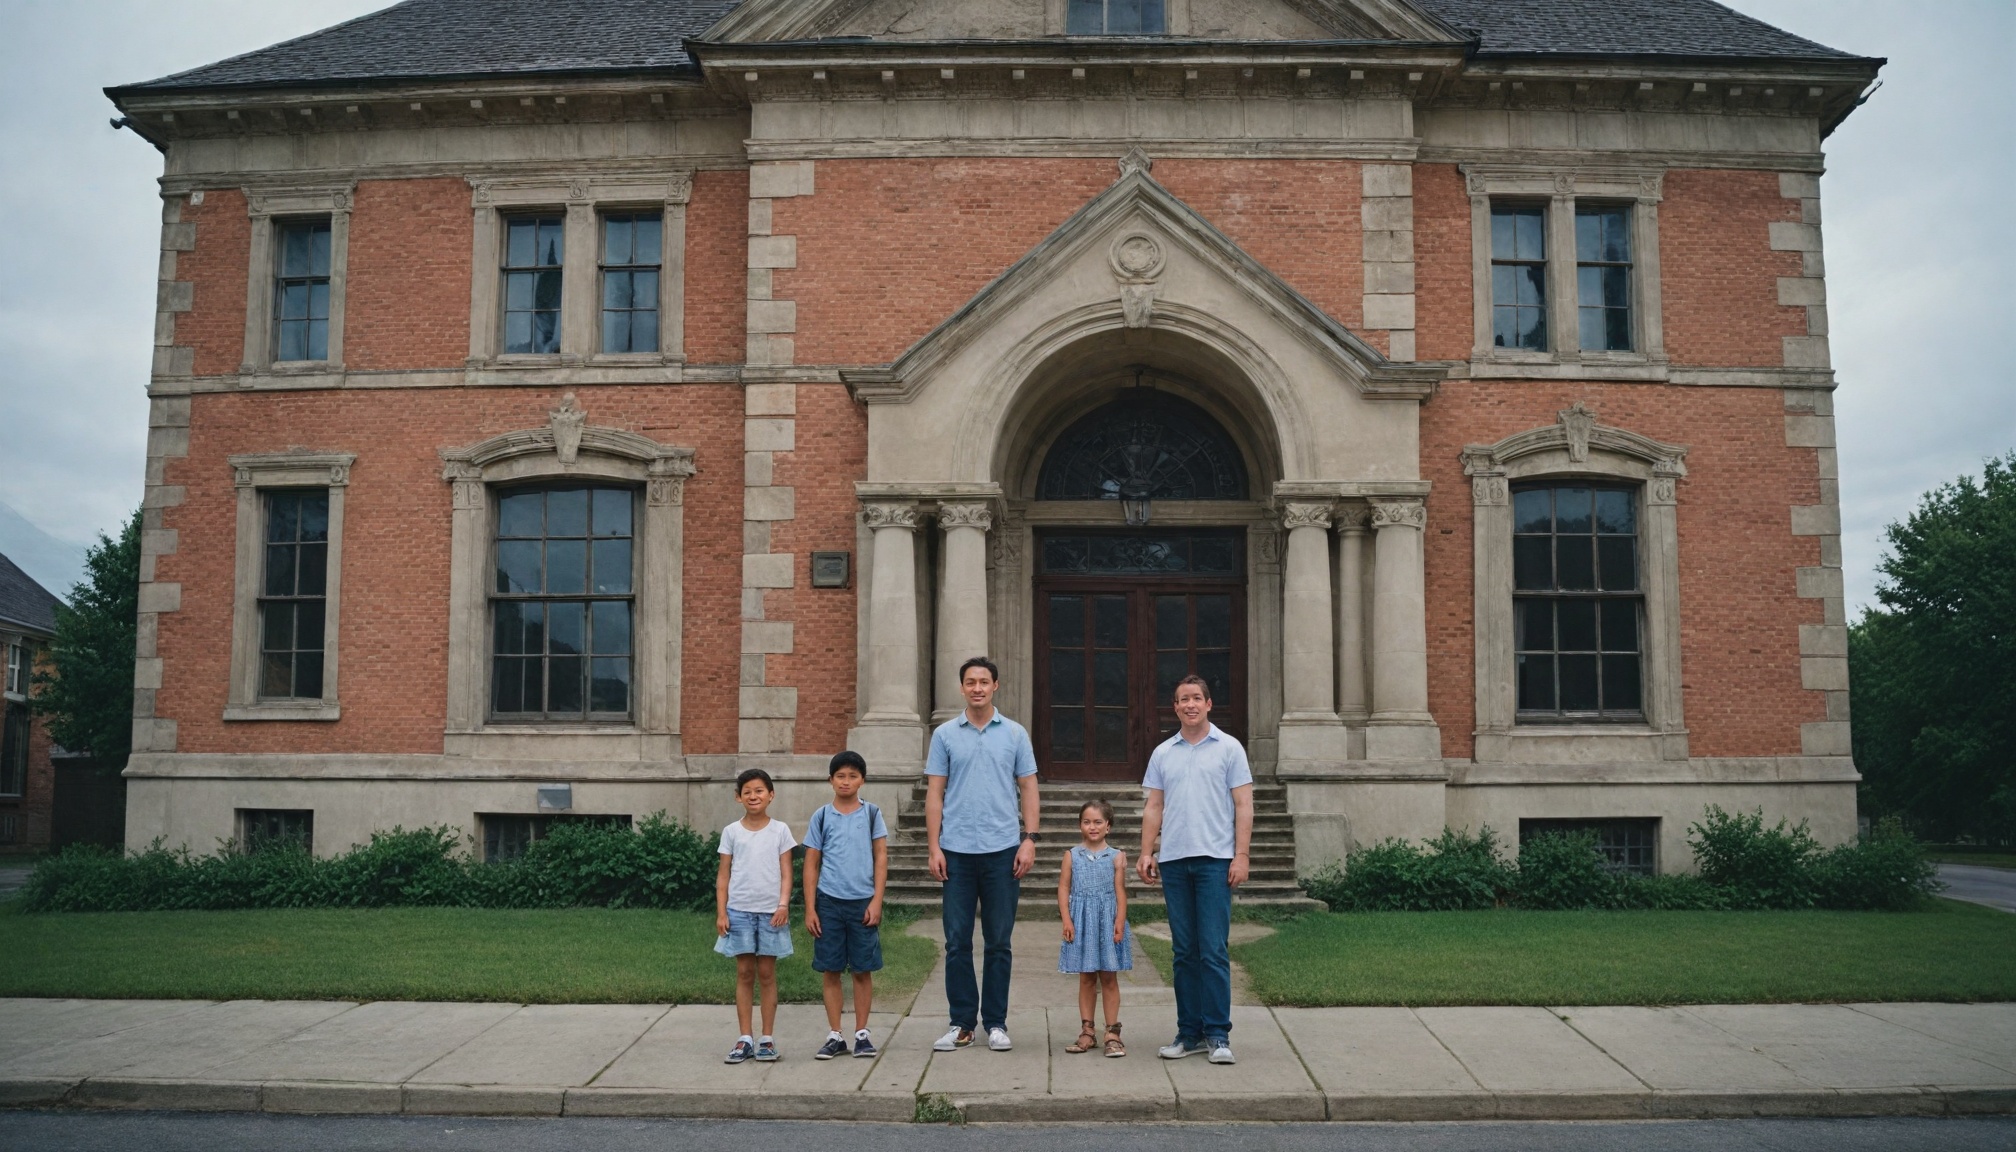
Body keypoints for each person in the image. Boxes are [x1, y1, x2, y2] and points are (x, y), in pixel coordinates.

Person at [1137, 674, 1253, 1066]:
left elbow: (1243, 805)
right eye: (1182, 699)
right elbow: (1154, 806)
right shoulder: (1163, 753)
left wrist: (1241, 856)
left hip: (1215, 861)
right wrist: (1146, 852)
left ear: (1208, 704)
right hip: (1173, 862)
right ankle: (1189, 1034)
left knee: (1214, 950)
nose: (1189, 704)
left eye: (1196, 698)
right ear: (1175, 707)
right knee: (1184, 951)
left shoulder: (1229, 748)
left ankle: (1218, 1034)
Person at [926, 655, 1041, 1053]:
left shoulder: (1014, 734)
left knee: (998, 941)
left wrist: (1030, 838)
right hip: (956, 853)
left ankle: (995, 1023)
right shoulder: (944, 735)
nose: (977, 688)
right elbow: (935, 793)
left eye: (984, 681)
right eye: (970, 682)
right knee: (956, 941)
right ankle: (961, 1023)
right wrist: (934, 846)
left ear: (995, 686)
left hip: (1002, 851)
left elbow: (1028, 787)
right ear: (962, 688)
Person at [803, 750, 889, 1060]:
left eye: (853, 776)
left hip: (863, 903)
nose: (846, 781)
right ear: (830, 780)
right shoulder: (822, 816)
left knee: (863, 970)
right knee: (831, 968)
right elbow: (811, 863)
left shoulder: (872, 814)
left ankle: (862, 1033)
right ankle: (835, 1034)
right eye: (840, 775)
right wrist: (810, 908)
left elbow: (880, 857)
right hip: (829, 903)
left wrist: (877, 900)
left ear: (862, 780)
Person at [714, 768, 796, 1064]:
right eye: (747, 791)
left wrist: (783, 905)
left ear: (771, 795)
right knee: (745, 973)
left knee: (766, 974)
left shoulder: (781, 831)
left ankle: (767, 1039)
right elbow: (723, 875)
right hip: (739, 912)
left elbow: (787, 872)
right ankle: (744, 1037)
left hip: (771, 913)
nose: (753, 796)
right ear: (738, 797)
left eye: (759, 790)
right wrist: (721, 911)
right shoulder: (731, 832)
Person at [1057, 797, 1132, 1058]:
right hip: (1081, 922)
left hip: (1107, 921)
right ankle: (1087, 1031)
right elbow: (1064, 887)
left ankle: (1112, 1033)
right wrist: (1066, 918)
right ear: (1080, 825)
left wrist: (1120, 921)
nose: (1092, 827)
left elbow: (1120, 891)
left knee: (1109, 977)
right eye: (1087, 822)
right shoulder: (1071, 855)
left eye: (1098, 822)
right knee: (1086, 977)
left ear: (1108, 826)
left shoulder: (1117, 857)